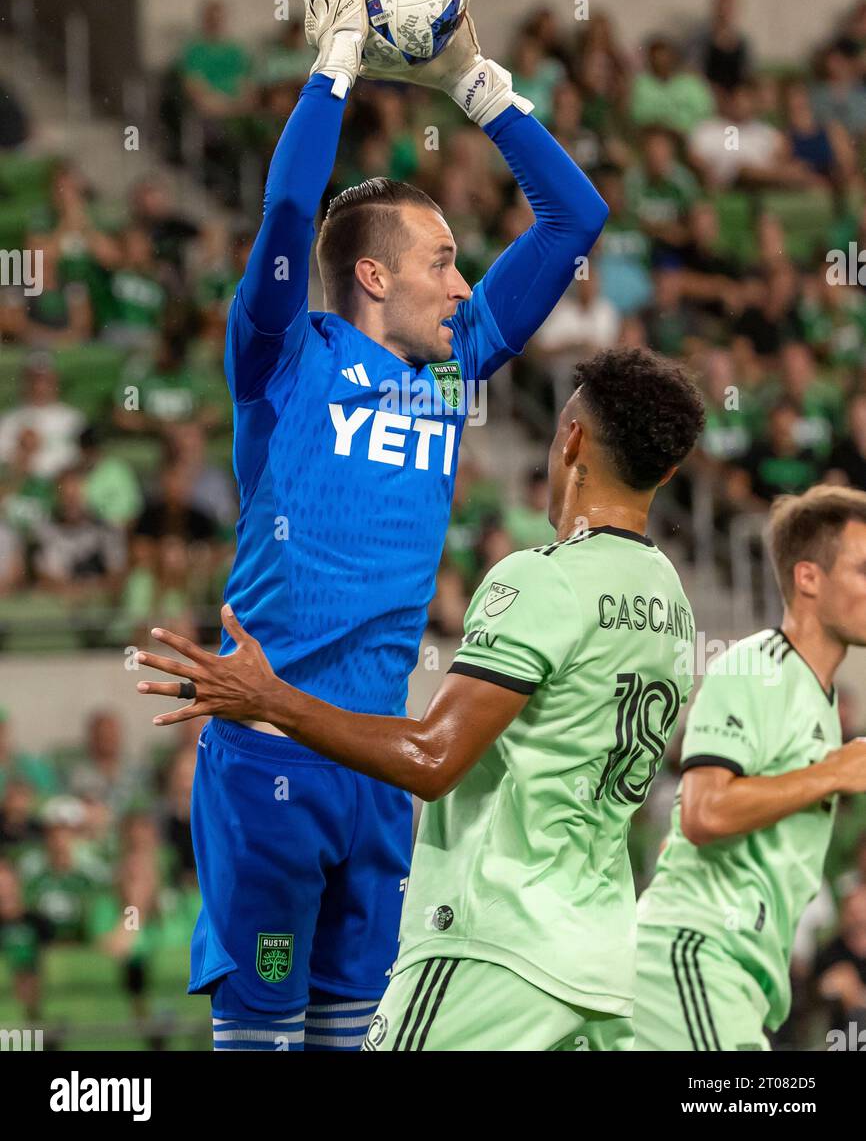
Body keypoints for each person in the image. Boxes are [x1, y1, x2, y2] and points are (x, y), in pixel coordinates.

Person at [136, 0, 608, 1052]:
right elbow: (289, 216)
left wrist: (473, 83)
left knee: (355, 1040)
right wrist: (336, 60)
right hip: (264, 750)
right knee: (262, 1041)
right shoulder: (280, 354)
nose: (462, 281)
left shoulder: (452, 368)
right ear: (370, 275)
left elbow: (573, 219)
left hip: (373, 760)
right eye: (441, 259)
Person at [135, 347, 706, 1051]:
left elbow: (434, 758)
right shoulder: (671, 598)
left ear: (572, 439)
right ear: (669, 470)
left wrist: (270, 698)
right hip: (601, 960)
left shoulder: (542, 579)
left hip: (495, 949)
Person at [634, 485, 866, 1051]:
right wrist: (833, 772)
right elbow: (705, 812)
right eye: (863, 569)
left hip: (737, 975)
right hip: (695, 950)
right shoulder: (757, 667)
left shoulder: (817, 697)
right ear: (809, 578)